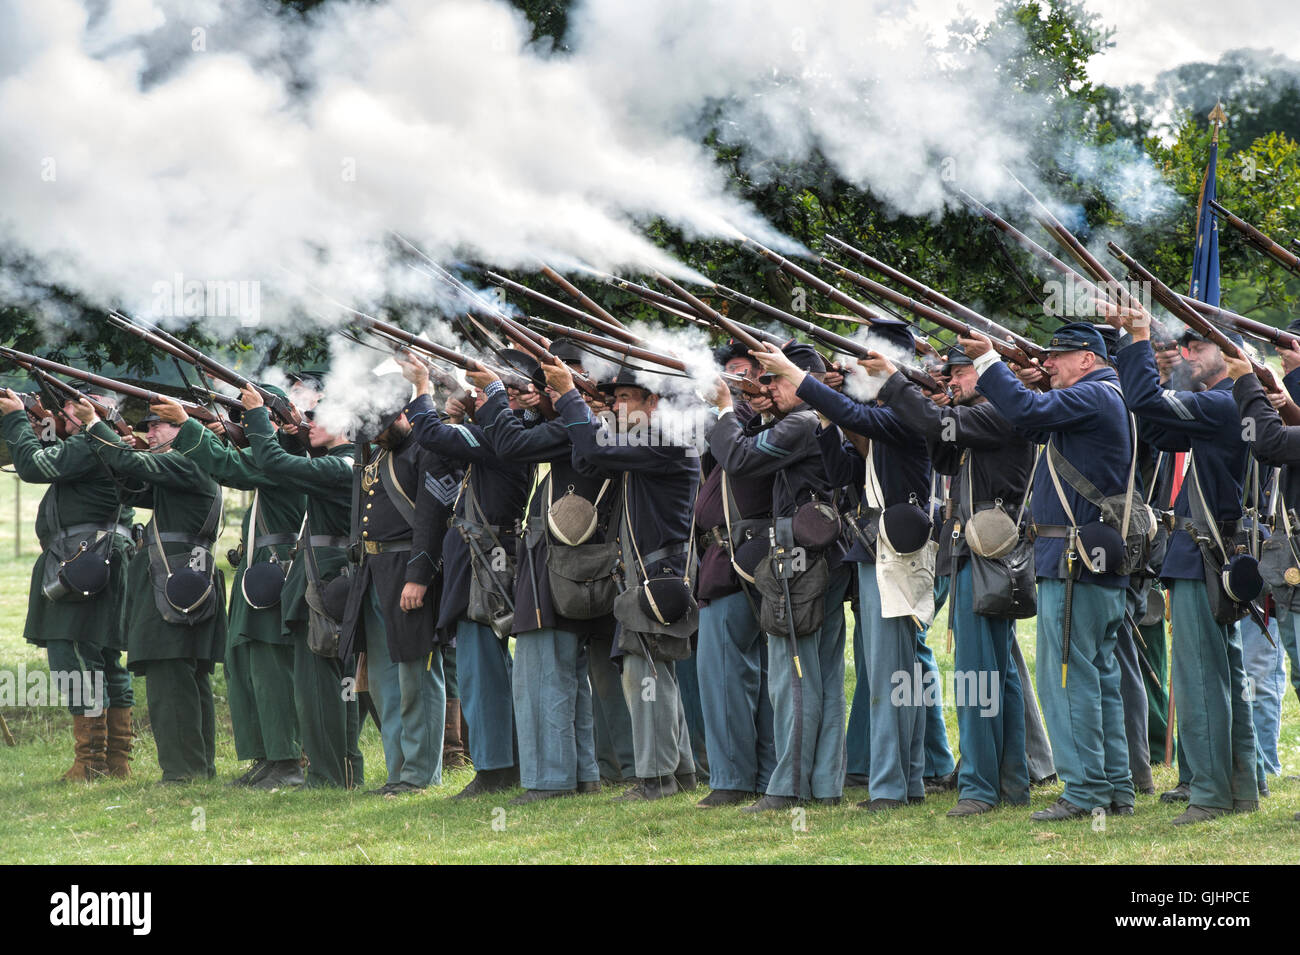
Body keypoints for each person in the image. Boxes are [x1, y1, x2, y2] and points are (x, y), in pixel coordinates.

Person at [755, 320, 933, 811]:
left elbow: (870, 423)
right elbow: (842, 474)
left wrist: (797, 376)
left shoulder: (906, 411)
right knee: (890, 675)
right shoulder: (881, 414)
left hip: (895, 553)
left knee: (889, 675)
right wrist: (832, 421)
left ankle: (892, 788)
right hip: (875, 549)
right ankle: (906, 782)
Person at [961, 322, 1133, 820]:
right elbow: (1031, 422)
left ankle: (1083, 794)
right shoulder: (1101, 397)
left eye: (1058, 357)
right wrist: (1028, 381)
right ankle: (1114, 788)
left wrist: (990, 363)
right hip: (1090, 560)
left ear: (1087, 358)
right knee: (1097, 680)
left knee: (1067, 681)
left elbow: (1026, 412)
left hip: (1074, 562)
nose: (1049, 362)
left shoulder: (1096, 395)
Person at [864, 344, 1035, 815]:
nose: (952, 382)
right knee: (997, 674)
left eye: (961, 374)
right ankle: (1011, 781)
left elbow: (942, 428)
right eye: (950, 374)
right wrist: (931, 400)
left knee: (980, 675)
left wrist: (894, 381)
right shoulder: (980, 414)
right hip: (977, 553)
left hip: (983, 554)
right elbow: (942, 454)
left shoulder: (997, 412)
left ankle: (981, 788)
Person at [1109, 308, 1258, 824]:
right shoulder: (1225, 404)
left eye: (1198, 347)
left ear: (1229, 356)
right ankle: (1241, 784)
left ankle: (1212, 793)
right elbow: (1157, 427)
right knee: (1226, 674)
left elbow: (1147, 401)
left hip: (1203, 555)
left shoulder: (1221, 403)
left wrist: (1139, 336)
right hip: (1213, 555)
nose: (1187, 353)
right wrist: (1151, 360)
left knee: (1199, 679)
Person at [544, 360, 698, 800]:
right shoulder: (646, 438)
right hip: (644, 573)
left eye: (625, 397)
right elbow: (587, 462)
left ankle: (655, 779)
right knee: (654, 672)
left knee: (643, 673)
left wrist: (572, 397)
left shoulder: (666, 436)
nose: (617, 405)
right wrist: (593, 414)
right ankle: (680, 773)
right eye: (614, 398)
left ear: (654, 401)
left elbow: (594, 453)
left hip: (657, 574)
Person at [705, 341, 849, 810]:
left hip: (803, 558)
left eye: (776, 380)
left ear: (804, 382)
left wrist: (727, 410)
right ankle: (824, 784)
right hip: (814, 554)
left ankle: (789, 787)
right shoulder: (805, 421)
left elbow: (741, 459)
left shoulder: (804, 422)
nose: (766, 388)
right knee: (816, 673)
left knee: (796, 678)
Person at [460, 342, 604, 803]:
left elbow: (510, 443)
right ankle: (580, 774)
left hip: (560, 561)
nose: (536, 391)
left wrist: (499, 392)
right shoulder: (575, 422)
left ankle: (549, 781)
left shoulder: (576, 423)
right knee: (563, 674)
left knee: (541, 674)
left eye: (546, 382)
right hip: (562, 560)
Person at [152, 387, 307, 790]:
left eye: (247, 419)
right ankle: (267, 757)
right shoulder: (273, 457)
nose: (239, 427)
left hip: (274, 573)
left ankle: (288, 760)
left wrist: (187, 426)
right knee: (247, 670)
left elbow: (228, 466)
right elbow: (231, 463)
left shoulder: (288, 461)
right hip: (255, 573)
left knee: (272, 672)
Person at [78, 401, 226, 783]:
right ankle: (197, 768)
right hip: (180, 579)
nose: (151, 432)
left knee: (170, 678)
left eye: (161, 426)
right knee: (186, 677)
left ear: (188, 432)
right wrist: (123, 444)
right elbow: (131, 486)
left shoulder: (186, 462)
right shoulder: (184, 468)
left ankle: (183, 772)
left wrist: (95, 423)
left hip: (172, 581)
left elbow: (136, 466)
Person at [404, 361, 532, 798]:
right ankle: (501, 762)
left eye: (485, 395)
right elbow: (439, 452)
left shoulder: (501, 437)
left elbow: (430, 434)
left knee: (483, 669)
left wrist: (422, 386)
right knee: (483, 668)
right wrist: (457, 412)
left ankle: (496, 768)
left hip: (485, 563)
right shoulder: (496, 435)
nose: (476, 399)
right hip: (477, 561)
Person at [0, 385, 137, 780]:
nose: (66, 415)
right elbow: (51, 448)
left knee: (73, 657)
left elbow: (33, 467)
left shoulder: (92, 442)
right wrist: (37, 418)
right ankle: (115, 761)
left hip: (81, 561)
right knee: (105, 659)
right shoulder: (101, 443)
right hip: (95, 558)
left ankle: (91, 763)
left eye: (73, 409)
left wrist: (13, 417)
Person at [339, 370, 453, 796]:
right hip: (375, 574)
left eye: (381, 427)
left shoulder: (426, 450)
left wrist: (418, 577)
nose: (376, 436)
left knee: (416, 679)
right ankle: (397, 771)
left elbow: (429, 518)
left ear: (403, 414)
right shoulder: (377, 455)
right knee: (387, 686)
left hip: (408, 570)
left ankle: (420, 774)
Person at [244, 383, 363, 789]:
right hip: (327, 581)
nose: (309, 423)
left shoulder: (339, 466)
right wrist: (297, 434)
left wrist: (258, 415)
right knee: (336, 686)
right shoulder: (345, 462)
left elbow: (275, 464)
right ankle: (341, 770)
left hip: (323, 584)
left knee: (319, 689)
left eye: (318, 418)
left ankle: (330, 775)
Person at [692, 342, 778, 806]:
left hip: (742, 559)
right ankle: (755, 774)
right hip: (730, 558)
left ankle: (733, 780)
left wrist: (728, 406)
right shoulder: (732, 422)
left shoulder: (759, 422)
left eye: (745, 375)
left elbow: (738, 451)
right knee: (746, 676)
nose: (736, 384)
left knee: (727, 677)